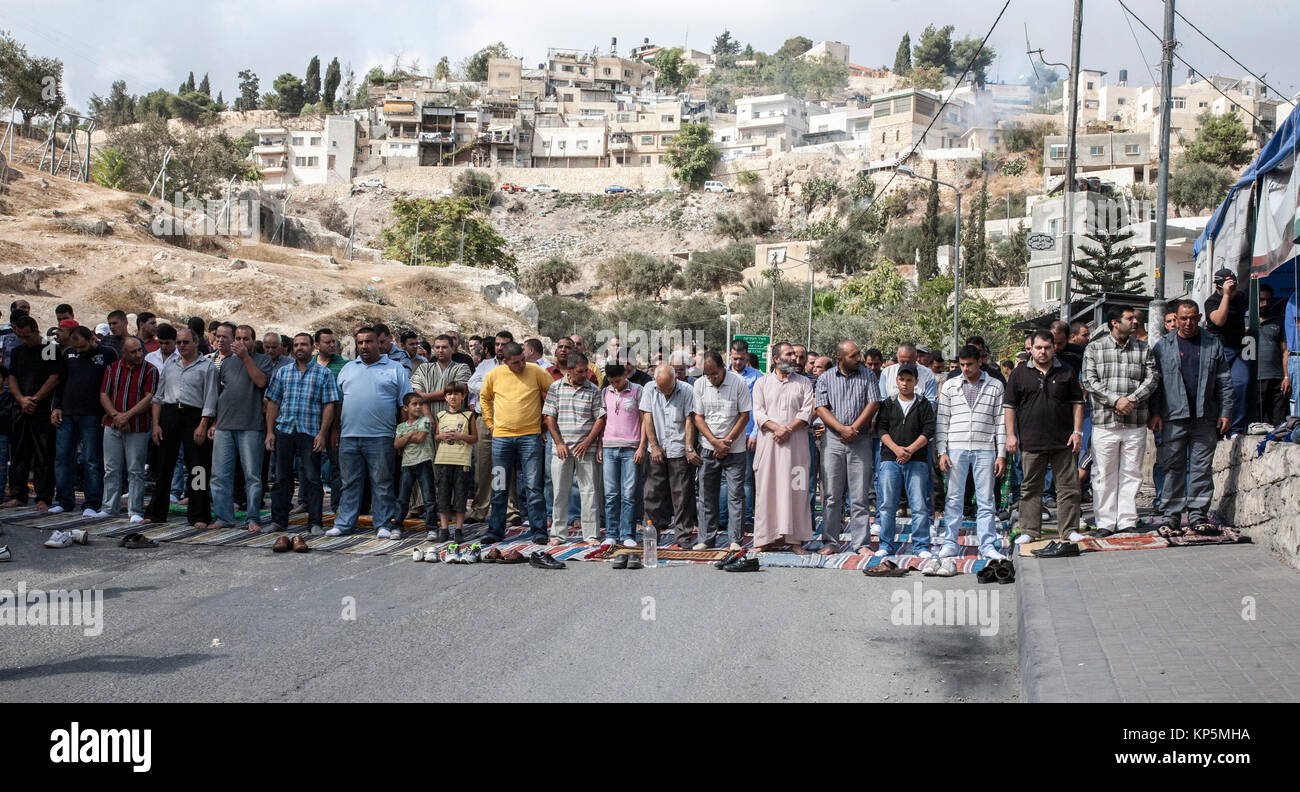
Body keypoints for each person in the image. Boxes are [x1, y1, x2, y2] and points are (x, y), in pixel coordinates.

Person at [1150, 300, 1233, 533]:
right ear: (1175, 319)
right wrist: (1154, 413)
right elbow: (1156, 385)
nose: (1188, 323)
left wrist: (1226, 412)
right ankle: (1171, 516)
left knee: (1201, 468)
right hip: (1172, 417)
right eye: (1183, 318)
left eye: (1192, 318)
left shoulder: (1212, 343)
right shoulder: (1163, 346)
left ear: (1199, 318)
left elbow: (1224, 381)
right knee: (1172, 467)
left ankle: (1198, 515)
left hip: (1205, 416)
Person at [326, 327, 412, 538]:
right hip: (349, 436)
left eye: (369, 341)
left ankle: (383, 524)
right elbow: (338, 403)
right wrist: (335, 430)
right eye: (360, 342)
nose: (364, 346)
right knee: (349, 483)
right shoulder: (348, 369)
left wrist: (402, 434)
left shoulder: (395, 369)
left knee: (382, 483)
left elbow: (405, 405)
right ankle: (344, 523)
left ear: (378, 343)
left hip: (381, 437)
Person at [1083, 306, 1158, 536]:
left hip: (1135, 421)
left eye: (1135, 318)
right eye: (1129, 318)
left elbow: (1152, 378)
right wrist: (1116, 401)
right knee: (1103, 474)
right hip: (1105, 422)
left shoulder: (1143, 349)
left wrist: (1131, 400)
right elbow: (1089, 381)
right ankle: (1105, 522)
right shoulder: (1095, 348)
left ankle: (1127, 520)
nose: (1135, 322)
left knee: (1131, 473)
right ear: (1114, 323)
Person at [1005, 331, 1085, 543]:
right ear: (1031, 348)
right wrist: (1010, 435)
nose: (1043, 352)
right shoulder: (1019, 374)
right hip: (1031, 440)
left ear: (1053, 348)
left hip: (1064, 440)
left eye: (1047, 347)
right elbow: (1010, 407)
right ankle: (1029, 531)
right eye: (1038, 347)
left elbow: (1078, 403)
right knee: (1030, 488)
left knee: (1068, 487)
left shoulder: (1066, 370)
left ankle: (1069, 530)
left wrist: (1077, 432)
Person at [936, 345, 1008, 560]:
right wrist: (942, 451)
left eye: (969, 364)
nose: (965, 369)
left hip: (985, 448)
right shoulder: (950, 385)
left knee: (986, 500)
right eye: (962, 365)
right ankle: (950, 543)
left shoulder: (995, 386)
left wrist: (1001, 454)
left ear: (979, 362)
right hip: (956, 448)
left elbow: (1001, 422)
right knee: (953, 498)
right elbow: (942, 420)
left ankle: (987, 545)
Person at [264, 332, 338, 535]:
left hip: (310, 431)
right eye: (296, 345)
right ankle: (279, 521)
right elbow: (273, 402)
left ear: (312, 347)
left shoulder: (323, 373)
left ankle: (315, 523)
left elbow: (329, 405)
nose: (299, 348)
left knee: (313, 478)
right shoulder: (283, 372)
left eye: (304, 344)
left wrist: (322, 434)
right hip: (284, 430)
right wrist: (270, 431)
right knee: (281, 478)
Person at [480, 341, 552, 544]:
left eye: (522, 360)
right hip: (501, 439)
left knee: (533, 487)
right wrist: (490, 424)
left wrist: (546, 419)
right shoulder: (494, 375)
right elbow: (484, 398)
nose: (521, 365)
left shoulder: (535, 371)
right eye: (516, 363)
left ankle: (539, 531)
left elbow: (554, 392)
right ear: (505, 361)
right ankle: (495, 531)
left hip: (530, 437)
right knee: (499, 485)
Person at [813, 340, 880, 555]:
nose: (859, 359)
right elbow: (820, 408)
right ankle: (830, 542)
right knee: (832, 496)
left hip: (860, 439)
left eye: (858, 354)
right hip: (833, 440)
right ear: (840, 358)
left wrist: (853, 429)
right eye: (853, 356)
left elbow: (873, 403)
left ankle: (861, 544)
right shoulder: (825, 378)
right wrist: (842, 429)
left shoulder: (868, 375)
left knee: (859, 496)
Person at [146, 328, 218, 527]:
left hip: (195, 416)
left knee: (198, 467)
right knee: (164, 465)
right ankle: (156, 512)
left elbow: (211, 399)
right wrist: (156, 424)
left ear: (196, 343)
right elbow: (158, 397)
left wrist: (203, 425)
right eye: (178, 342)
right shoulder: (171, 365)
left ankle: (199, 514)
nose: (181, 346)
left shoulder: (207, 367)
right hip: (170, 414)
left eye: (185, 342)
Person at [873, 364, 938, 574]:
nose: (905, 383)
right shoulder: (888, 403)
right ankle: (886, 544)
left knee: (919, 505)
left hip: (917, 459)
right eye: (902, 379)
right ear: (897, 381)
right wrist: (896, 449)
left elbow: (929, 430)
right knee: (887, 505)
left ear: (916, 382)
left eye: (910, 380)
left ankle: (921, 545)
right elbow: (881, 428)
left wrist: (910, 449)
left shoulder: (923, 403)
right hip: (890, 459)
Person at [209, 324, 273, 532]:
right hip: (224, 424)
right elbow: (220, 394)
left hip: (251, 425)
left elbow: (261, 382)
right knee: (219, 475)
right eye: (238, 338)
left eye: (246, 339)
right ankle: (223, 517)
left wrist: (245, 357)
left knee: (252, 476)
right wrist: (214, 422)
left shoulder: (263, 360)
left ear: (253, 340)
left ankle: (252, 517)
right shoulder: (226, 362)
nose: (241, 342)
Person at [752, 342, 815, 553]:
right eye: (789, 354)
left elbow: (807, 412)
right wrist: (777, 428)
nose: (794, 358)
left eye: (795, 355)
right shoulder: (762, 383)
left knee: (797, 491)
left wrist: (787, 429)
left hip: (796, 449)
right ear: (776, 359)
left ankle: (795, 541)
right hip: (769, 447)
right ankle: (765, 539)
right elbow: (758, 413)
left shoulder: (804, 383)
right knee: (767, 491)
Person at [52, 325, 118, 515]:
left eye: (82, 347)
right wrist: (56, 406)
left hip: (93, 413)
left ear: (91, 339)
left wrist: (109, 411)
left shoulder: (108, 354)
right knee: (63, 457)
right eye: (76, 348)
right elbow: (60, 383)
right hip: (67, 412)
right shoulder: (68, 354)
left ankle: (92, 503)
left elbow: (114, 383)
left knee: (92, 459)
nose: (79, 351)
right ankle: (64, 501)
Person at [542, 351, 606, 545]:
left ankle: (591, 534)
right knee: (560, 492)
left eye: (586, 370)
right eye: (580, 371)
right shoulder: (556, 388)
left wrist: (588, 442)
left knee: (589, 492)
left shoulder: (593, 390)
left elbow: (600, 418)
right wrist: (559, 443)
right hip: (562, 449)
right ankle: (558, 534)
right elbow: (549, 417)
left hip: (586, 449)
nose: (584, 374)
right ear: (569, 371)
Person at [692, 350, 752, 551]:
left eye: (715, 374)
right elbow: (698, 417)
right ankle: (706, 539)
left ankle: (735, 540)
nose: (711, 379)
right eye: (708, 375)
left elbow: (744, 415)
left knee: (736, 495)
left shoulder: (738, 383)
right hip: (708, 448)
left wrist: (726, 442)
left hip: (734, 449)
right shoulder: (700, 384)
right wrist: (714, 442)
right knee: (706, 495)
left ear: (723, 367)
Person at [3, 316, 62, 510]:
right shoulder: (18, 351)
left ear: (36, 331)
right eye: (20, 336)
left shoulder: (48, 349)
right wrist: (21, 399)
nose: (24, 340)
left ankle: (43, 497)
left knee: (43, 454)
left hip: (42, 409)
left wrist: (35, 399)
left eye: (27, 336)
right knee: (19, 453)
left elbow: (54, 377)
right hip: (21, 408)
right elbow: (12, 377)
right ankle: (18, 494)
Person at [640, 363, 700, 548]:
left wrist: (689, 448)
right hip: (657, 448)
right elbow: (647, 417)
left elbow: (690, 420)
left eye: (668, 388)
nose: (665, 392)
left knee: (682, 495)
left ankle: (683, 536)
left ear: (676, 379)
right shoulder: (649, 388)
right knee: (652, 494)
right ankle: (651, 535)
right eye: (661, 388)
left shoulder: (687, 390)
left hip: (679, 448)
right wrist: (654, 446)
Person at [99, 337, 157, 523]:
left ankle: (135, 510)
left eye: (140, 350)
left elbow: (149, 398)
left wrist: (126, 416)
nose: (138, 354)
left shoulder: (150, 370)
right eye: (133, 352)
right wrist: (116, 415)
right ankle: (109, 508)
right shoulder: (112, 368)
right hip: (113, 425)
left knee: (136, 470)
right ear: (124, 353)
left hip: (137, 427)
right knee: (111, 469)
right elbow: (104, 394)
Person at [466, 330, 513, 523]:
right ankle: (480, 510)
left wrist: (490, 387)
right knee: (482, 466)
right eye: (497, 344)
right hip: (485, 420)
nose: (500, 347)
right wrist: (495, 387)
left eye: (504, 344)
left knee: (507, 466)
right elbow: (471, 384)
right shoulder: (486, 365)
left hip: (508, 420)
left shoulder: (517, 365)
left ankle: (510, 510)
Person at [598, 362, 644, 548]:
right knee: (610, 494)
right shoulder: (605, 392)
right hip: (609, 447)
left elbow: (645, 420)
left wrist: (642, 446)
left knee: (629, 494)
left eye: (617, 381)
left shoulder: (638, 391)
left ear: (625, 375)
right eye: (611, 382)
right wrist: (600, 446)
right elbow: (602, 420)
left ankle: (627, 534)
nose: (615, 385)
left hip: (631, 447)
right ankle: (611, 533)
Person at [1205, 268, 1250, 436]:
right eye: (1229, 287)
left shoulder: (1241, 297)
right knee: (1218, 388)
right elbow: (1219, 320)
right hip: (1219, 349)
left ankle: (1235, 428)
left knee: (1241, 383)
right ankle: (1217, 428)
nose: (1233, 291)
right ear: (1218, 287)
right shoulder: (1212, 301)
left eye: (1234, 287)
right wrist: (1225, 296)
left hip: (1238, 348)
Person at [432, 381, 475, 542]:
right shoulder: (441, 415)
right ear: (445, 397)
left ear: (463, 396)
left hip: (461, 461)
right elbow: (436, 436)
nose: (452, 397)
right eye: (449, 394)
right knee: (443, 495)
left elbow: (474, 438)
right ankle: (444, 529)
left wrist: (460, 436)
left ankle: (458, 529)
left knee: (460, 496)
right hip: (443, 460)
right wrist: (442, 436)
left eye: (456, 393)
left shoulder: (468, 415)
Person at [393, 393, 436, 538]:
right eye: (414, 404)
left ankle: (432, 528)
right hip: (407, 464)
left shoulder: (425, 421)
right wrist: (410, 434)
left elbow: (420, 438)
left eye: (420, 404)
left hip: (424, 461)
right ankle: (397, 526)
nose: (418, 407)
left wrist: (405, 439)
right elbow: (396, 444)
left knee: (429, 498)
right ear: (406, 407)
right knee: (402, 498)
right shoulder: (401, 426)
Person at [410, 335, 473, 422]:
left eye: (444, 347)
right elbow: (416, 391)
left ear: (452, 349)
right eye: (437, 347)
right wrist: (427, 414)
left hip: (454, 421)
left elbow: (458, 390)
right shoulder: (423, 368)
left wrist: (426, 396)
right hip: (426, 420)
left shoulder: (462, 368)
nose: (440, 350)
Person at [1257, 284, 1288, 426]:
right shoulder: (1244, 320)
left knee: (1278, 424)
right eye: (1261, 300)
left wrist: (1286, 377)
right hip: (1254, 380)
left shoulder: (1278, 321)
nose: (1265, 304)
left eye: (1268, 300)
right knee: (1256, 424)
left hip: (1277, 380)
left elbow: (1285, 351)